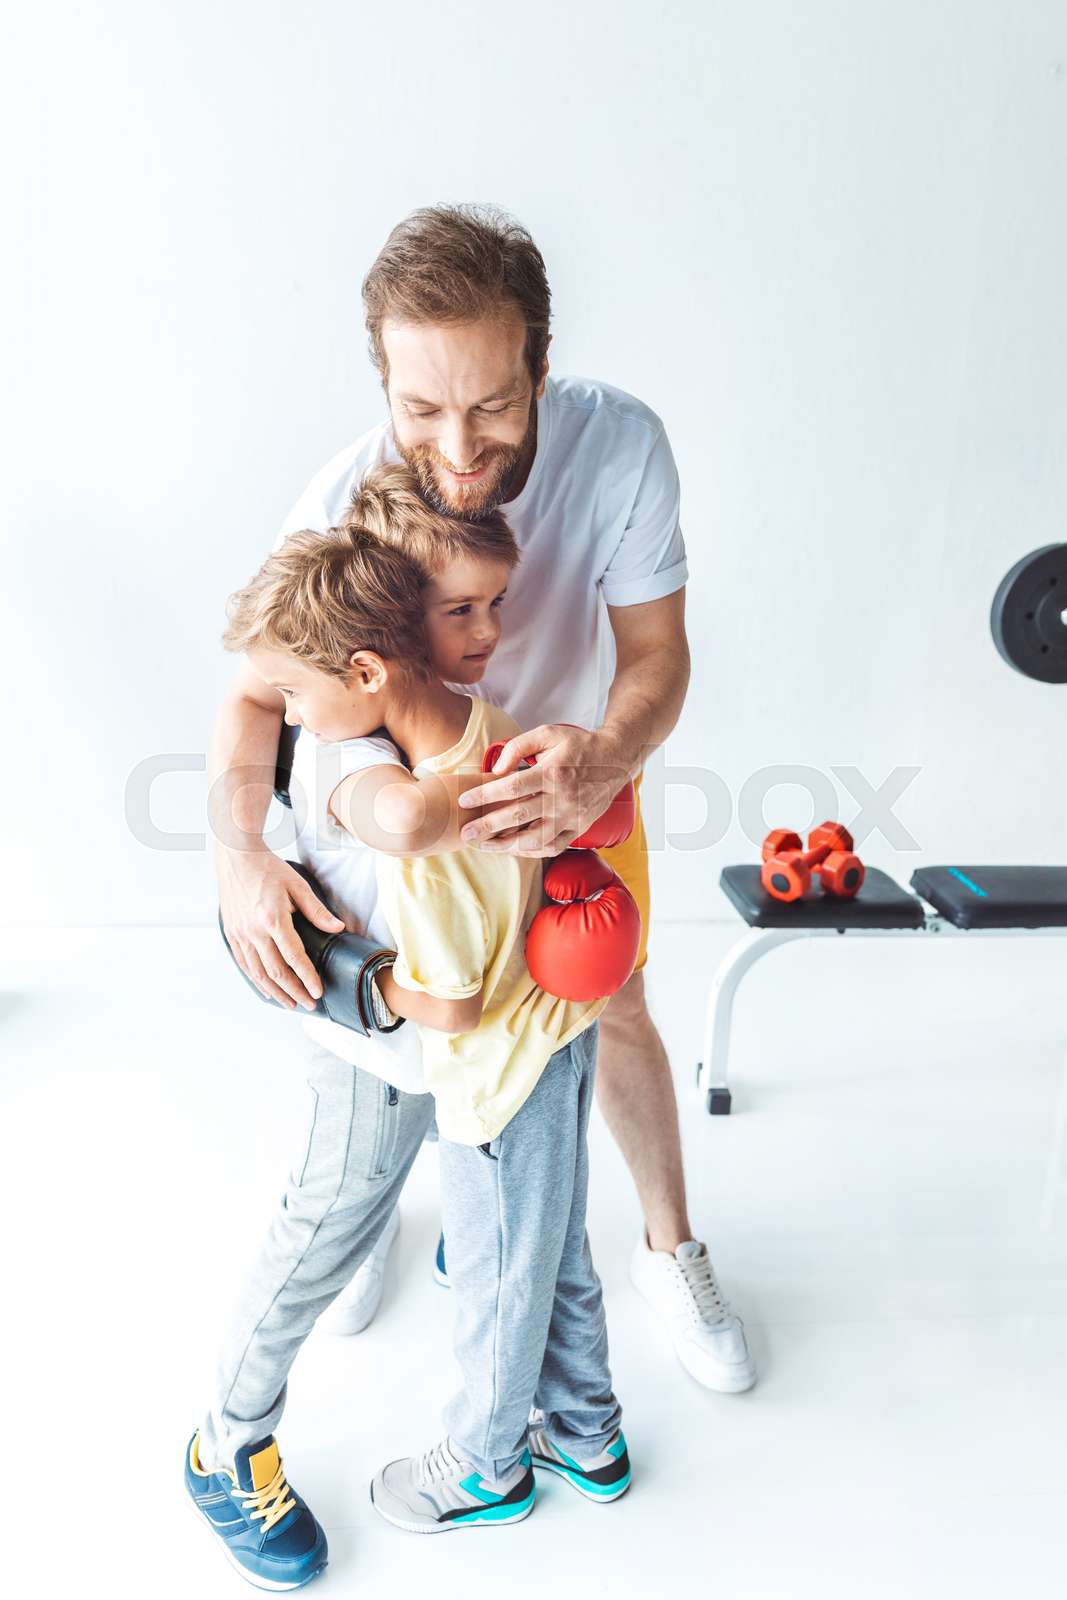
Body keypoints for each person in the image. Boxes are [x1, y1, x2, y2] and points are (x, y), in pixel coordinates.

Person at [212, 203, 755, 1394]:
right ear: (383, 383)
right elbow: (256, 691)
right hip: (391, 789)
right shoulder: (341, 494)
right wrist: (238, 851)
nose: (456, 444)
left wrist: (603, 756)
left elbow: (658, 657)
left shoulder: (621, 451)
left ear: (541, 368)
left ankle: (670, 1248)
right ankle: (369, 1221)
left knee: (608, 1002)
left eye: (493, 404)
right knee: (395, 1017)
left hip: (561, 774)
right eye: (420, 408)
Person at [186, 472, 629, 1588]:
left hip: (471, 1043)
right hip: (378, 1043)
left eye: (489, 607)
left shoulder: (447, 714)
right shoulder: (344, 745)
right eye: (458, 610)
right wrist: (386, 985)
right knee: (326, 1226)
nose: (485, 632)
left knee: (528, 1227)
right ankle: (223, 1443)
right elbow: (397, 828)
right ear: (388, 633)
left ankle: (569, 1415)